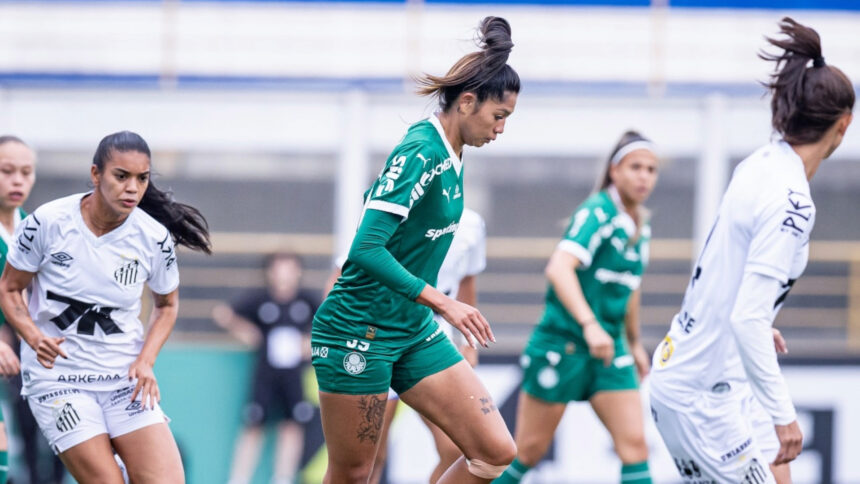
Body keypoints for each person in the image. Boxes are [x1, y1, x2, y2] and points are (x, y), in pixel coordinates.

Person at [311, 16, 519, 484]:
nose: (502, 129)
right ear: (467, 102)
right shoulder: (421, 151)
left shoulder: (454, 150)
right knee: (354, 474)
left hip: (411, 329)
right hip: (356, 328)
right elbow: (364, 249)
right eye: (498, 116)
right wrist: (443, 302)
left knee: (495, 452)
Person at [649, 17, 854, 484]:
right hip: (704, 395)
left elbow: (732, 279)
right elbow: (747, 317)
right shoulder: (793, 202)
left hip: (718, 373)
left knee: (782, 474)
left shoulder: (761, 164)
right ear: (843, 125)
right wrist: (785, 414)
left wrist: (756, 325)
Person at [0, 131, 211, 483]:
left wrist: (146, 360)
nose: (132, 188)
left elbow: (167, 305)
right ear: (96, 174)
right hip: (59, 381)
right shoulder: (47, 223)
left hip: (122, 380)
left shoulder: (153, 237)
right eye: (121, 176)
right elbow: (9, 289)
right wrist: (34, 338)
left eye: (141, 178)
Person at [495, 131, 658, 484]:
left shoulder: (639, 227)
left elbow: (630, 288)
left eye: (651, 169)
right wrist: (589, 323)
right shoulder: (597, 212)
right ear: (615, 171)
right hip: (563, 344)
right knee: (527, 453)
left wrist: (632, 342)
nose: (644, 176)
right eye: (636, 167)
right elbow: (558, 267)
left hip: (609, 349)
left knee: (635, 448)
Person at [324, 207, 488, 484]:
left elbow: (466, 280)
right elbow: (342, 276)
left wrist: (467, 345)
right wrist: (341, 339)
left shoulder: (471, 223)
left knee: (458, 449)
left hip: (431, 335)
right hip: (376, 334)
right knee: (368, 459)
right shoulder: (389, 210)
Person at [213, 252, 318, 484]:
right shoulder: (259, 299)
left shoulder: (307, 300)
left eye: (289, 268)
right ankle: (239, 478)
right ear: (269, 272)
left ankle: (283, 478)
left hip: (295, 375)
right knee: (254, 424)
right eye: (279, 268)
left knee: (292, 424)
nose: (283, 274)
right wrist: (246, 332)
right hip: (265, 374)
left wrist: (309, 343)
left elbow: (329, 325)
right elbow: (223, 313)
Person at [0, 135, 37, 483]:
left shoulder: (32, 228)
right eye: (6, 171)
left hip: (21, 362)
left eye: (25, 172)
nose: (17, 180)